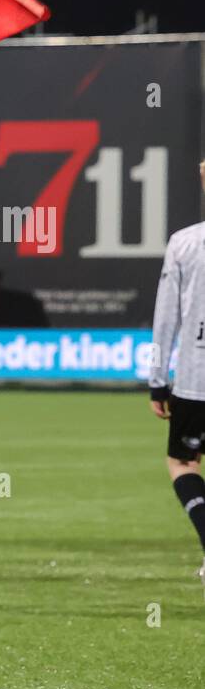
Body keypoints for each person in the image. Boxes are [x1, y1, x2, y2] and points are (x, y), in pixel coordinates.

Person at [148, 158, 205, 584]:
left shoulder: (185, 242)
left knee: (182, 462)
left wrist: (156, 381)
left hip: (195, 377)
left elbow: (166, 318)